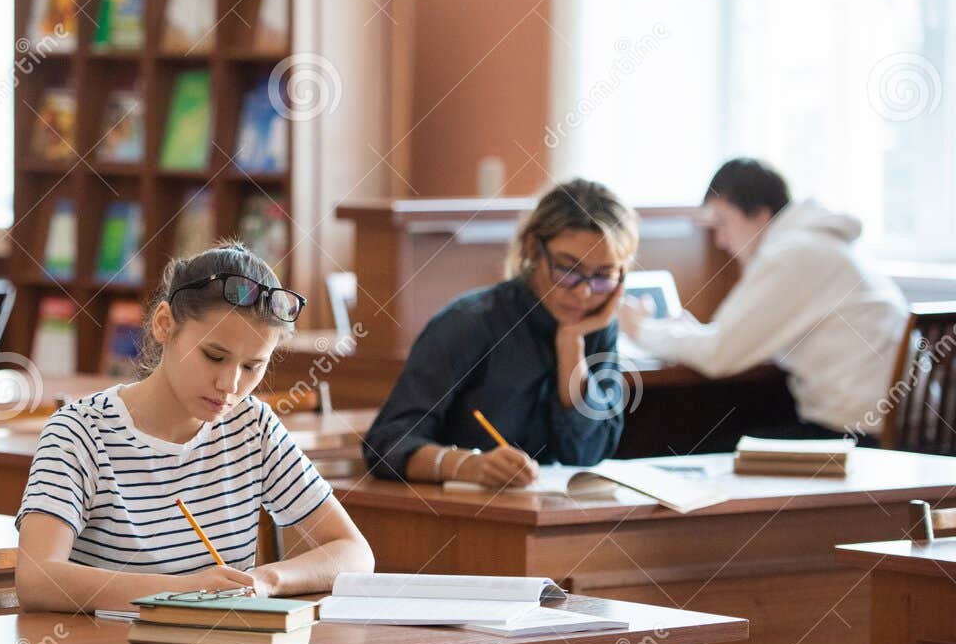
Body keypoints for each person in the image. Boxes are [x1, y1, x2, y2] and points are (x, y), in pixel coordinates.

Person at [14, 242, 373, 612]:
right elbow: (37, 579)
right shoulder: (79, 432)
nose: (230, 385)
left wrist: (264, 581)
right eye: (214, 356)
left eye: (252, 366)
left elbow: (355, 553)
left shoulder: (252, 426)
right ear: (164, 324)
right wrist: (182, 591)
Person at [363, 179, 639, 486]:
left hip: (549, 516)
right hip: (462, 518)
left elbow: (588, 455)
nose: (584, 293)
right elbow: (386, 444)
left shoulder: (596, 327)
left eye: (604, 276)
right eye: (568, 270)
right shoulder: (468, 323)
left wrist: (571, 346)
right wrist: (466, 465)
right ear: (533, 247)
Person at [620, 158, 907, 440]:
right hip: (890, 426)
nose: (720, 240)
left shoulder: (790, 254)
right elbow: (729, 341)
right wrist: (692, 335)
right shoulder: (822, 243)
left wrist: (639, 329)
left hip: (851, 434)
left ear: (760, 214)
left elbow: (717, 355)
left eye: (722, 223)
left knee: (707, 442)